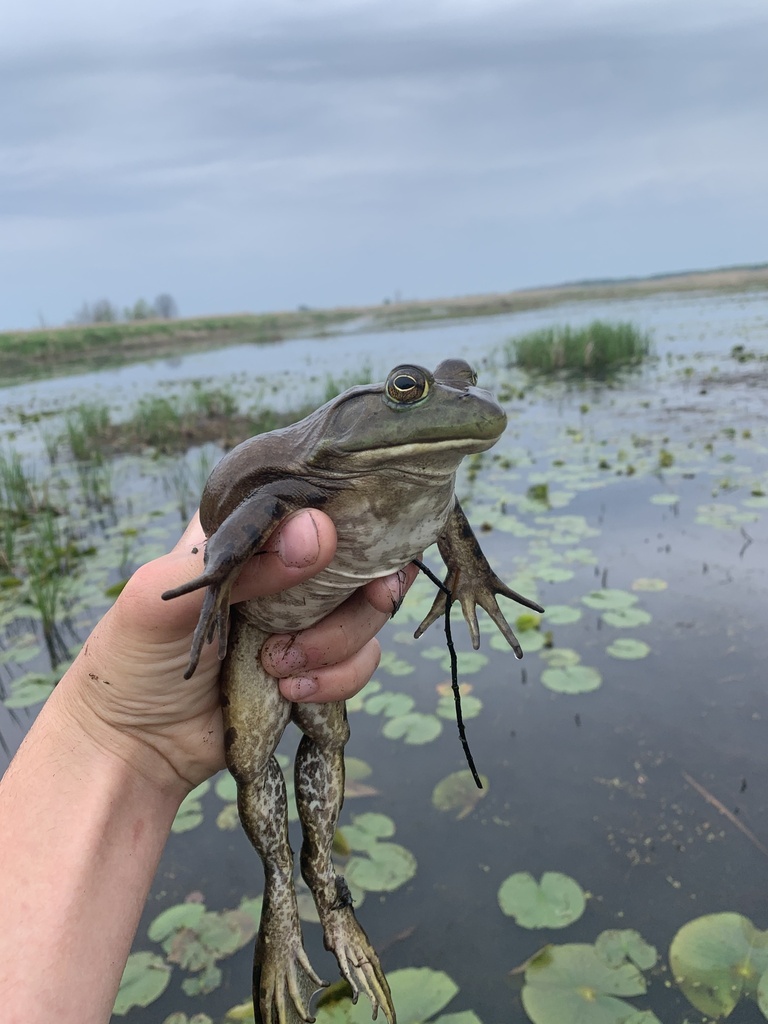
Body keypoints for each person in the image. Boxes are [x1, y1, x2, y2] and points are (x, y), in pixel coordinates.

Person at [0, 509, 417, 1024]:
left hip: (305, 618)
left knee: (327, 739)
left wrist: (120, 737)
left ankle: (328, 892)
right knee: (258, 763)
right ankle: (285, 893)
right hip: (249, 632)